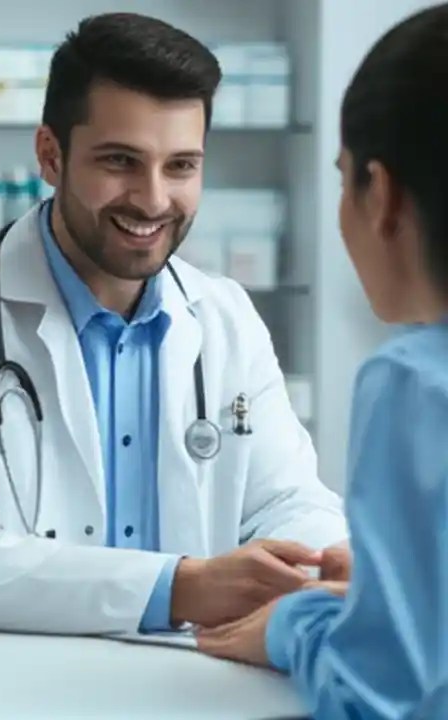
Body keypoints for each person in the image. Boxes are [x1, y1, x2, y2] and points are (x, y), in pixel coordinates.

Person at [0, 12, 349, 636]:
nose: (152, 200)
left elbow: (287, 499)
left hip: (189, 683)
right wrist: (180, 588)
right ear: (50, 154)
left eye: (181, 166)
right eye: (121, 161)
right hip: (5, 690)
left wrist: (328, 561)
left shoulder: (226, 317)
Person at [197, 6, 448, 717]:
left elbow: (378, 702)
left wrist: (292, 624)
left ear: (383, 193)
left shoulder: (416, 384)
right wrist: (385, 594)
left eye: (342, 180)